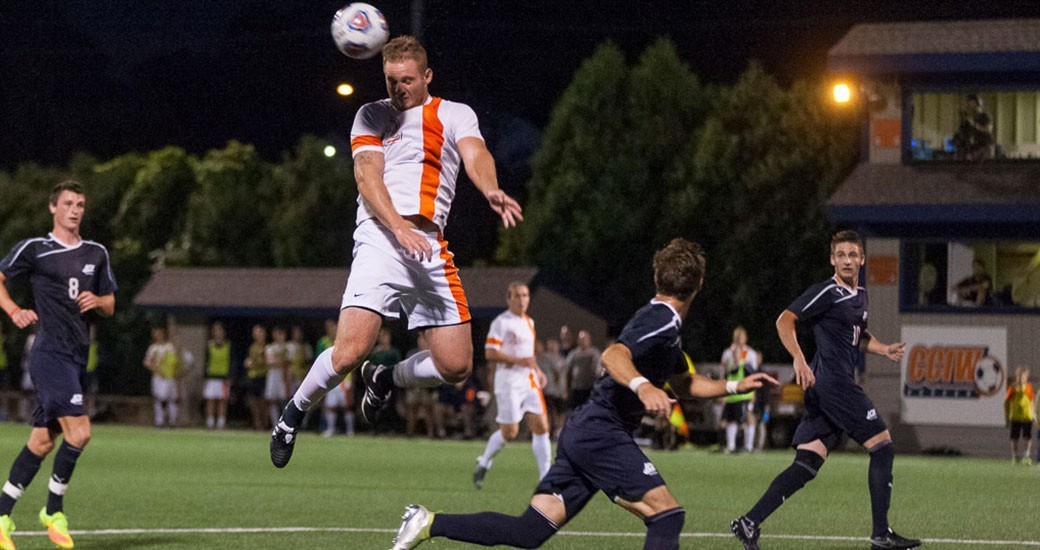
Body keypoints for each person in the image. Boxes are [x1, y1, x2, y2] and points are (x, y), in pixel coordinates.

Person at [390, 238, 775, 550]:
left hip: (586, 432)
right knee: (667, 515)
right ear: (699, 285)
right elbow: (614, 353)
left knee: (530, 531)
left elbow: (684, 383)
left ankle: (428, 522)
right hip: (601, 433)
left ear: (657, 277)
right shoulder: (659, 320)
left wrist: (733, 386)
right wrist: (642, 387)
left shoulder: (666, 328)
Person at [270, 35, 523, 467]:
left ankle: (386, 377)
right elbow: (368, 178)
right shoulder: (371, 115)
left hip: (429, 244)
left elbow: (475, 153)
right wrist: (397, 225)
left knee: (456, 365)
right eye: (391, 81)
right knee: (350, 350)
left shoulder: (454, 113)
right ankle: (292, 415)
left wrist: (491, 189)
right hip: (380, 238)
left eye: (407, 80)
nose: (399, 89)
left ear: (427, 76)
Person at [732, 230, 921, 550]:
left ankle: (749, 523)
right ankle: (881, 534)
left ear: (862, 259)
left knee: (807, 464)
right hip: (834, 384)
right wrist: (798, 358)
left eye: (853, 254)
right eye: (841, 255)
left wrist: (884, 349)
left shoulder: (860, 294)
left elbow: (857, 334)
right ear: (832, 260)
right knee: (883, 446)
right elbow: (784, 320)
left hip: (826, 389)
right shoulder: (828, 291)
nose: (847, 260)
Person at [0, 180, 117, 549]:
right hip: (49, 353)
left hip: (76, 355)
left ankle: (2, 515)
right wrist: (14, 310)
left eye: (80, 203)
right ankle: (53, 510)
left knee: (41, 441)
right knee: (80, 433)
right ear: (53, 208)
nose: (75, 209)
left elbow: (112, 303)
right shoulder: (36, 249)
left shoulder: (96, 253)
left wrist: (97, 301)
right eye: (68, 203)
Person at [472, 282, 550, 489]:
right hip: (508, 382)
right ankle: (485, 460)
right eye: (517, 296)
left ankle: (546, 479)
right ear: (509, 299)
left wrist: (539, 371)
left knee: (542, 427)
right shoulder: (501, 322)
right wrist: (517, 361)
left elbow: (529, 356)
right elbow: (490, 352)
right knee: (510, 432)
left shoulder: (529, 322)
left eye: (525, 295)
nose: (522, 299)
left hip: (529, 380)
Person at [720, 326, 760, 453]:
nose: (739, 338)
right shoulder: (727, 353)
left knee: (748, 417)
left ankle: (748, 446)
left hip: (746, 393)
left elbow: (753, 374)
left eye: (741, 336)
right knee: (730, 419)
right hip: (731, 392)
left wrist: (753, 392)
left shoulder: (751, 354)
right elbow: (723, 373)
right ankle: (730, 446)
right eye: (737, 335)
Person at [144, 326, 180, 428]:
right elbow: (147, 362)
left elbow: (175, 361)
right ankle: (159, 421)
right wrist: (156, 370)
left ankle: (172, 421)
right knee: (159, 398)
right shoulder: (152, 348)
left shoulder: (169, 347)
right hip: (158, 377)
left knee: (171, 398)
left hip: (169, 376)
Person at [536, 339, 567, 439]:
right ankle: (548, 431)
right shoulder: (542, 357)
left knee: (558, 412)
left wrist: (561, 387)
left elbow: (558, 373)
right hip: (546, 390)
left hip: (555, 390)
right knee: (549, 412)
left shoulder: (557, 358)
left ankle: (557, 431)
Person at [202, 321, 231, 430]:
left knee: (222, 400)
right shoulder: (209, 346)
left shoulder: (228, 346)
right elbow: (206, 362)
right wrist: (205, 377)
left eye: (219, 330)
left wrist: (229, 376)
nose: (217, 333)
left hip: (223, 377)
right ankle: (210, 421)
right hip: (211, 377)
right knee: (210, 399)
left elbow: (231, 361)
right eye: (215, 330)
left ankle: (221, 422)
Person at [1004, 367, 1035, 465]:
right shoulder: (1012, 388)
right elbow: (1006, 402)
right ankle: (1015, 456)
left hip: (1027, 417)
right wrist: (1007, 417)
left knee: (1027, 437)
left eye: (1024, 377)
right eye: (1020, 377)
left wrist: (1033, 414)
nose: (1022, 379)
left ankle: (1027, 455)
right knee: (1014, 438)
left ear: (1026, 378)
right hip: (1015, 417)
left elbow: (1032, 401)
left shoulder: (1029, 388)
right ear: (1017, 377)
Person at [564, 330, 600, 410]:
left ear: (589, 340)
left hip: (589, 388)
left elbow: (597, 370)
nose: (583, 341)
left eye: (585, 339)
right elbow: (567, 370)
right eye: (581, 339)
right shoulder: (573, 354)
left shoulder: (594, 353)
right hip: (576, 388)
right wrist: (565, 388)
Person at [952, 94, 994, 161]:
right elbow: (961, 135)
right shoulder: (966, 120)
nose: (970, 107)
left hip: (981, 149)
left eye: (972, 104)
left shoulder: (985, 118)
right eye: (968, 105)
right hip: (968, 150)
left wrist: (974, 124)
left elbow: (988, 130)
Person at [264, 327, 291, 429]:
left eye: (281, 334)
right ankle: (275, 423)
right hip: (273, 376)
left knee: (284, 400)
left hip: (284, 375)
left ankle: (285, 424)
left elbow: (289, 362)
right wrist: (281, 358)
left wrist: (279, 359)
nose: (279, 336)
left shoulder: (289, 347)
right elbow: (270, 363)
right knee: (272, 400)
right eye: (277, 334)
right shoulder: (269, 348)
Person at [244, 325, 269, 430]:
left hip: (263, 376)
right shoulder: (253, 347)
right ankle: (256, 423)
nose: (257, 335)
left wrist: (253, 363)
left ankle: (265, 423)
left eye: (259, 332)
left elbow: (265, 362)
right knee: (253, 401)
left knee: (263, 401)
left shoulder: (267, 348)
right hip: (253, 376)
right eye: (255, 333)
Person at [286, 325, 313, 396]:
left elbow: (309, 361)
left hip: (302, 375)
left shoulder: (306, 347)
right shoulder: (288, 346)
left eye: (299, 333)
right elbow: (286, 362)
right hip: (291, 375)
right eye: (296, 333)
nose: (298, 335)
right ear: (292, 334)